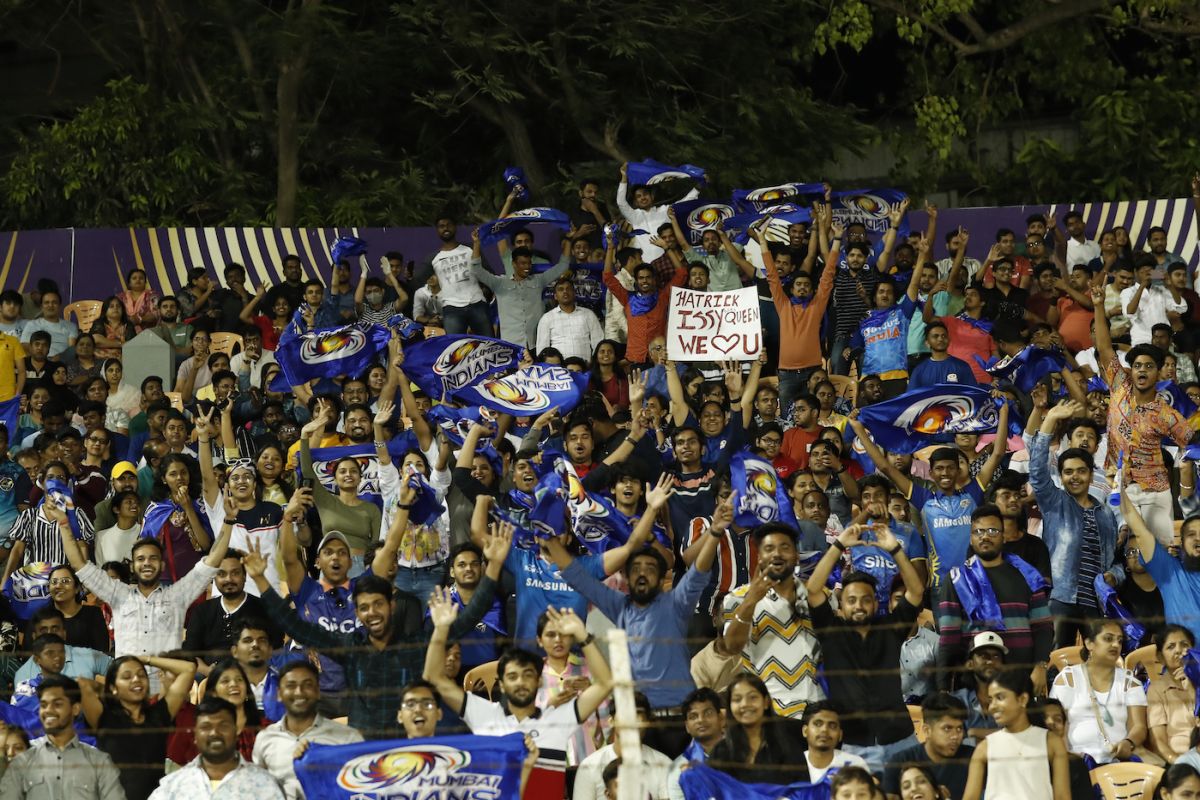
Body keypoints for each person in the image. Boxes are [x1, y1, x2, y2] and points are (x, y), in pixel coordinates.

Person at [248, 525, 506, 737]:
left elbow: (468, 618)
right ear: (358, 613)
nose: (372, 612)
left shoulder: (414, 646)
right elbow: (296, 627)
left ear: (391, 606)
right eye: (364, 607)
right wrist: (261, 580)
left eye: (378, 604)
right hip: (363, 750)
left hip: (406, 746)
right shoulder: (350, 648)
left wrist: (493, 566)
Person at [424, 596, 614, 799]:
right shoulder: (484, 714)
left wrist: (582, 634)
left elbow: (605, 683)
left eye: (528, 675)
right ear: (502, 685)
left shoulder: (557, 719)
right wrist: (441, 628)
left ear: (539, 682)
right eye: (512, 676)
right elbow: (432, 677)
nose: (521, 682)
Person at [58, 487, 234, 661]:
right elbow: (78, 563)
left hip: (166, 685)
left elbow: (213, 559)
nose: (147, 563)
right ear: (133, 566)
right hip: (128, 683)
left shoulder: (177, 595)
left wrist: (229, 520)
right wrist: (64, 524)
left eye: (153, 558)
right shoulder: (117, 593)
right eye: (141, 559)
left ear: (162, 564)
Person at [806, 521, 925, 773]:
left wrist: (894, 549)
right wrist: (839, 545)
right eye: (851, 600)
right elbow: (813, 588)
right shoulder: (831, 631)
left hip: (900, 739)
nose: (858, 606)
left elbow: (916, 590)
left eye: (865, 600)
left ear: (875, 603)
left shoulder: (890, 629)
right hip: (852, 744)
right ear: (841, 606)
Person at [1093, 282, 1195, 543]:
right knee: (1122, 552)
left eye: (1149, 366)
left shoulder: (1166, 414)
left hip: (1155, 492)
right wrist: (1097, 306)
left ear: (1158, 372)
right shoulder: (1119, 385)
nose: (1141, 370)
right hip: (1117, 485)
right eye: (1137, 365)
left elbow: (1192, 442)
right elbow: (1105, 349)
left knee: (1161, 554)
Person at [935, 505, 1054, 692]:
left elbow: (1043, 628)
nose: (985, 536)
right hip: (973, 686)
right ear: (971, 539)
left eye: (992, 531)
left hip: (1021, 681)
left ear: (1003, 536)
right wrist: (942, 687)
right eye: (978, 531)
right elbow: (949, 639)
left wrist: (1041, 666)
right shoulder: (957, 579)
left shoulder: (1028, 576)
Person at [721, 521, 825, 718]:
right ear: (759, 558)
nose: (776, 554)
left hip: (816, 713)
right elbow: (732, 646)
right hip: (768, 714)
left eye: (784, 547)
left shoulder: (820, 596)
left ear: (796, 557)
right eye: (769, 548)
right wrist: (751, 601)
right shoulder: (737, 598)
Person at [78, 653, 197, 800]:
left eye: (141, 675)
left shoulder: (159, 714)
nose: (136, 680)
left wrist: (147, 660)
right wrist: (111, 691)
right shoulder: (105, 718)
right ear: (113, 687)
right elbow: (82, 684)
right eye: (127, 677)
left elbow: (189, 669)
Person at [0, 674, 125, 800]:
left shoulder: (98, 754)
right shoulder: (25, 743)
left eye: (57, 704)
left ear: (75, 709)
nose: (48, 710)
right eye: (43, 705)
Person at [252, 660, 363, 799]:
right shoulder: (265, 738)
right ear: (279, 694)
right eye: (291, 686)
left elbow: (363, 789)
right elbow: (258, 788)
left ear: (318, 691)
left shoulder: (348, 738)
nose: (299, 692)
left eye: (307, 685)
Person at [1050, 618, 1149, 764]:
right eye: (1108, 639)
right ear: (1089, 643)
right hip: (1077, 760)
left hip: (1118, 760)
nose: (1115, 645)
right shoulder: (1067, 679)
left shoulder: (1130, 682)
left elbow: (1138, 726)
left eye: (1120, 641)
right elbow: (1057, 728)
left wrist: (1129, 742)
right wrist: (1066, 761)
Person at [149, 697, 285, 800]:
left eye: (223, 726)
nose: (214, 733)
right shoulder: (173, 786)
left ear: (236, 732)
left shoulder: (264, 784)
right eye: (206, 727)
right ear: (195, 735)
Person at [963, 669, 1070, 800]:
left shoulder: (1051, 742)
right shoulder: (984, 748)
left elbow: (1062, 796)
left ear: (1023, 699)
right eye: (991, 700)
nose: (992, 707)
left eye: (1000, 697)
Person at [471, 226, 572, 349]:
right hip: (510, 345)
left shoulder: (539, 281)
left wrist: (569, 240)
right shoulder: (500, 283)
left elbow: (562, 265)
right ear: (514, 264)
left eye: (529, 263)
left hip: (536, 344)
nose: (527, 267)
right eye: (523, 263)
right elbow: (476, 269)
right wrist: (476, 243)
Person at [1123, 492, 1200, 643]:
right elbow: (1138, 528)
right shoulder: (1169, 571)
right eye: (1191, 534)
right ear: (1182, 543)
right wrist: (1119, 488)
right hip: (1184, 660)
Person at [708, 673, 809, 785]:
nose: (745, 704)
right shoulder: (720, 752)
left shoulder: (788, 748)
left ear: (766, 702)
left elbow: (803, 792)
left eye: (753, 697)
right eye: (737, 699)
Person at [571, 692, 672, 800]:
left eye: (637, 713)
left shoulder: (665, 765)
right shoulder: (589, 766)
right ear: (611, 721)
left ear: (647, 722)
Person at [883, 693, 973, 800]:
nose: (955, 736)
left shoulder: (973, 758)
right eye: (947, 728)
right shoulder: (899, 762)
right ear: (927, 730)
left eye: (959, 729)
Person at [1147, 625, 1197, 764]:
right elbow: (1158, 741)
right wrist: (1180, 764)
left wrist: (1193, 692)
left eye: (1184, 645)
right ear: (1160, 657)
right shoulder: (1156, 690)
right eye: (1170, 647)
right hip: (1178, 761)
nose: (1178, 650)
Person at [801, 701, 868, 782]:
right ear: (805, 731)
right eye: (818, 724)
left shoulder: (855, 765)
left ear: (840, 735)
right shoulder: (792, 764)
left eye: (832, 726)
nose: (824, 730)